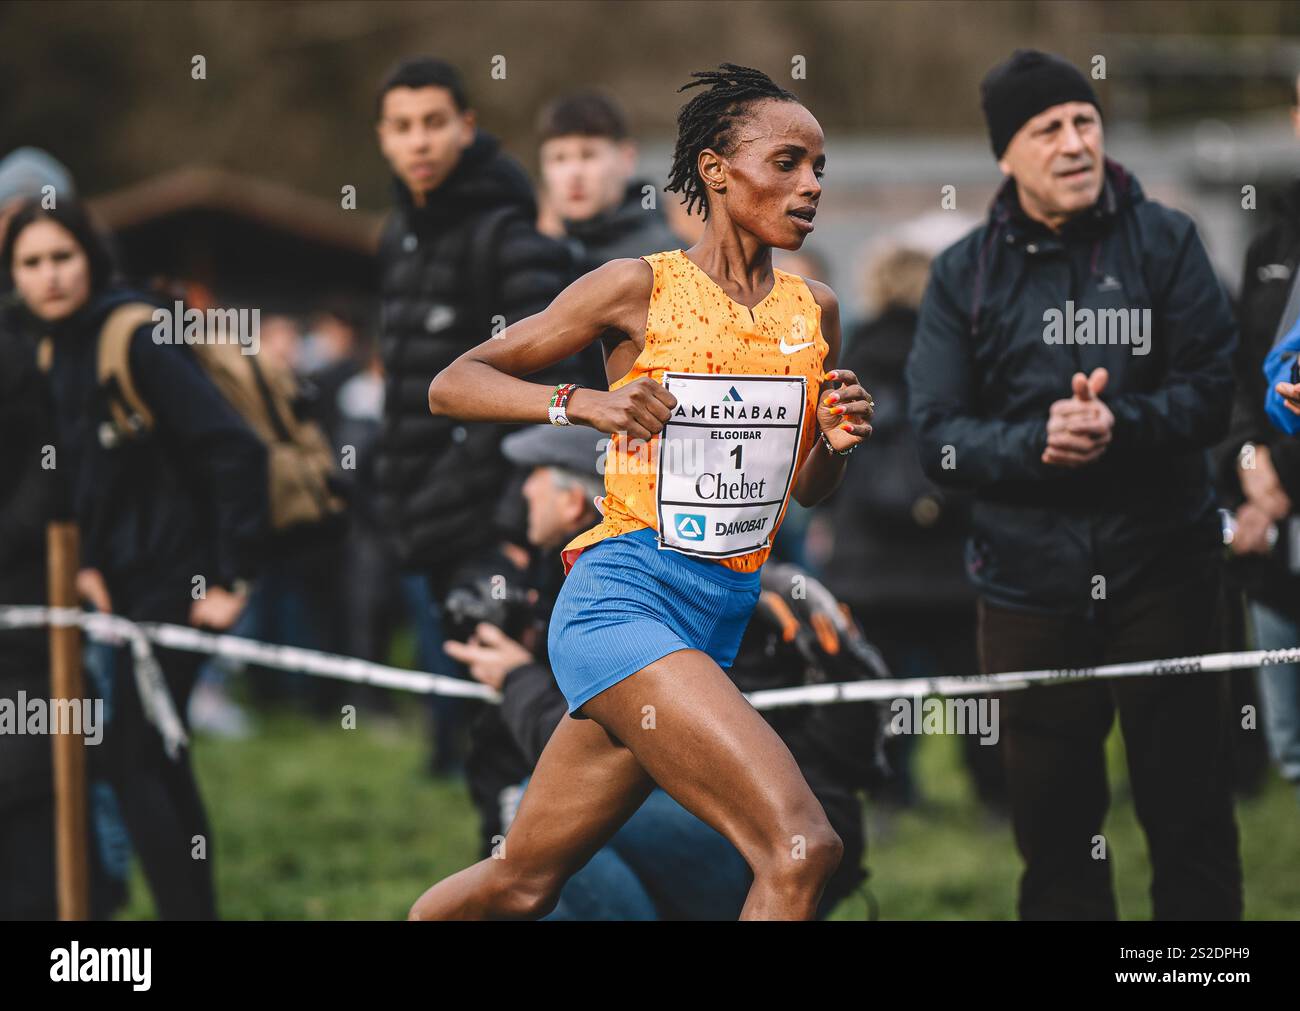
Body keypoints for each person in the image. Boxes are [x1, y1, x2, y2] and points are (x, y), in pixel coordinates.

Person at [408, 63, 873, 922]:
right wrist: (581, 402)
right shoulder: (639, 287)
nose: (810, 184)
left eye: (818, 167)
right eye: (787, 162)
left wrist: (833, 444)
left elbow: (807, 490)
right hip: (621, 608)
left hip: (712, 624)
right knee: (803, 846)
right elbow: (452, 383)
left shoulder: (816, 312)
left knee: (521, 881)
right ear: (716, 171)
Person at [907, 49, 1242, 920]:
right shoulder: (963, 273)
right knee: (1054, 829)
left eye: (1085, 121)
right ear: (1005, 154)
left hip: (1166, 568)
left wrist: (1120, 425)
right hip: (1026, 586)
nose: (1074, 142)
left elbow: (1215, 393)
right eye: (1047, 128)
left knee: (1191, 813)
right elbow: (936, 438)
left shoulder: (1167, 240)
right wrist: (1038, 442)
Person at [453, 425, 882, 919]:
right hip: (768, 829)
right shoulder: (593, 578)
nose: (524, 490)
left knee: (544, 826)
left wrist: (517, 680)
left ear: (574, 502)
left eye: (535, 475)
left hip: (762, 837)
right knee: (535, 849)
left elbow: (610, 751)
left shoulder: (688, 592)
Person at [3, 197, 268, 919]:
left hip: (176, 587)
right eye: (31, 262)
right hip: (121, 589)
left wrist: (231, 577)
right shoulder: (55, 347)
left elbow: (234, 449)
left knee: (134, 758)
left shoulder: (135, 334)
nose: (49, 275)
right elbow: (88, 474)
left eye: (62, 256)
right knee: (157, 761)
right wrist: (87, 559)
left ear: (90, 257)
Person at [371, 56, 603, 776]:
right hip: (423, 522)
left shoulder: (510, 240)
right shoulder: (398, 239)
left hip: (495, 530)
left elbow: (555, 390)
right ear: (383, 137)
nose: (419, 140)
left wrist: (512, 531)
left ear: (466, 127)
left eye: (434, 122)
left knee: (519, 733)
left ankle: (535, 849)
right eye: (402, 126)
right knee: (472, 732)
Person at [1219, 71, 1300, 796]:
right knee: (1293, 750)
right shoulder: (1270, 242)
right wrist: (1250, 459)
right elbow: (1240, 378)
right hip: (1280, 535)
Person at [536, 90, 682, 274]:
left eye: (588, 155)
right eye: (559, 158)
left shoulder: (666, 262)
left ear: (627, 158)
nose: (574, 173)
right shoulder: (540, 261)